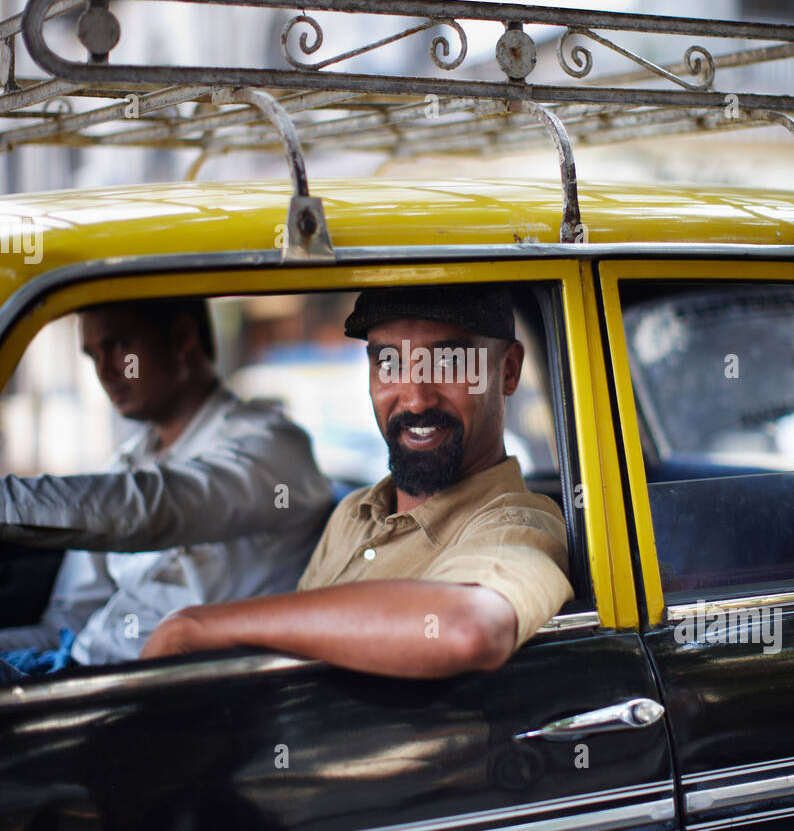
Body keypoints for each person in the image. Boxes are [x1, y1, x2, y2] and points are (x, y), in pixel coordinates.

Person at [141, 284, 573, 678]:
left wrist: (199, 625)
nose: (415, 397)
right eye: (389, 363)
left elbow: (466, 629)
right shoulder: (354, 512)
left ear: (510, 371)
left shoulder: (517, 524)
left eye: (447, 363)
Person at [0, 297, 333, 679]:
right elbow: (70, 619)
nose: (105, 371)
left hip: (181, 698)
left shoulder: (269, 445)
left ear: (181, 337)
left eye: (119, 346)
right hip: (79, 668)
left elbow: (153, 510)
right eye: (93, 356)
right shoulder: (128, 460)